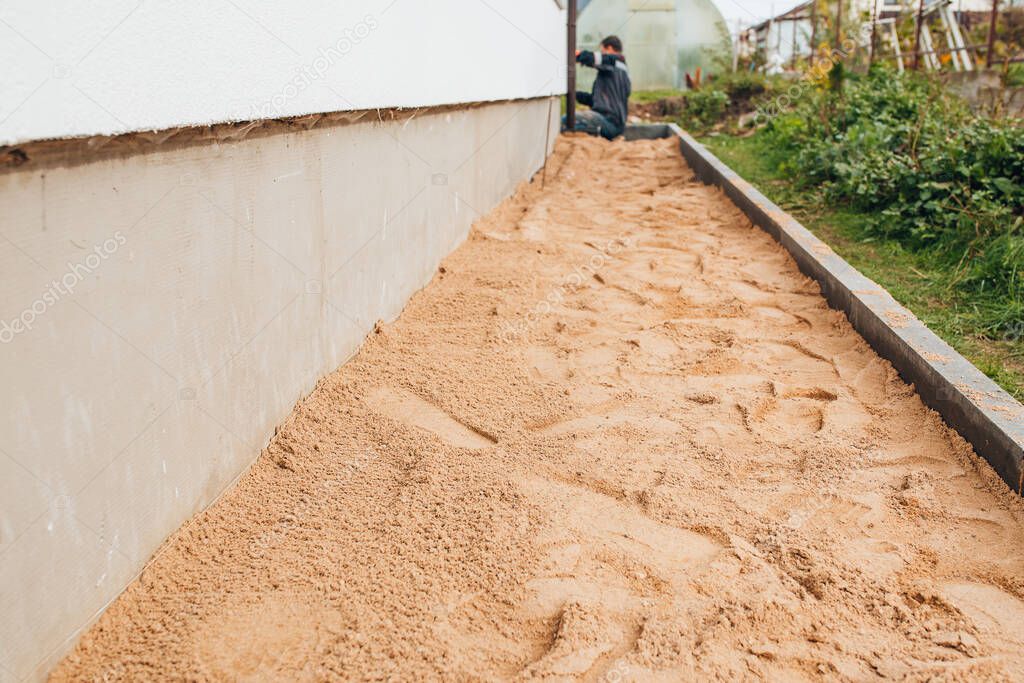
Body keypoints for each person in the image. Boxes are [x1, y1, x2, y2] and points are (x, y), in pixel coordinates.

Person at [566, 35, 631, 140]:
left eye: (602, 51)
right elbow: (594, 100)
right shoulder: (620, 73)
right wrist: (572, 94)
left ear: (609, 48)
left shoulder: (615, 61)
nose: (601, 54)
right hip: (615, 125)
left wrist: (575, 54)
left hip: (609, 122)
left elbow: (592, 58)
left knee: (566, 121)